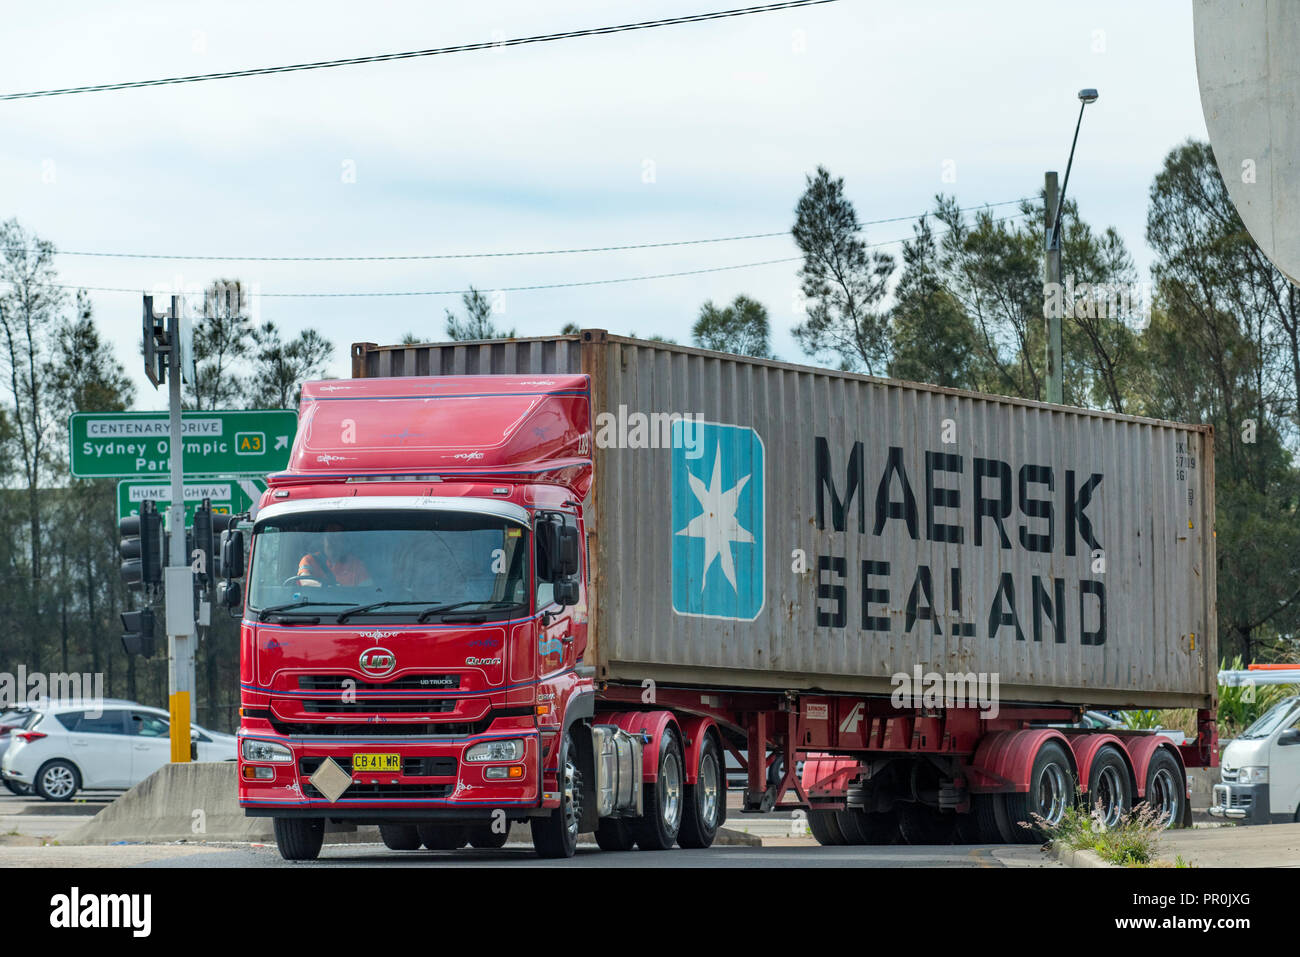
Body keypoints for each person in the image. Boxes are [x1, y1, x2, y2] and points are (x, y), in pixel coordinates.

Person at [298, 523, 372, 587]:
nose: (333, 542)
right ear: (322, 540)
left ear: (344, 542)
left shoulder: (355, 564)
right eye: (330, 538)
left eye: (338, 538)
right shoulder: (309, 560)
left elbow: (367, 589)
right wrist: (329, 589)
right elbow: (304, 580)